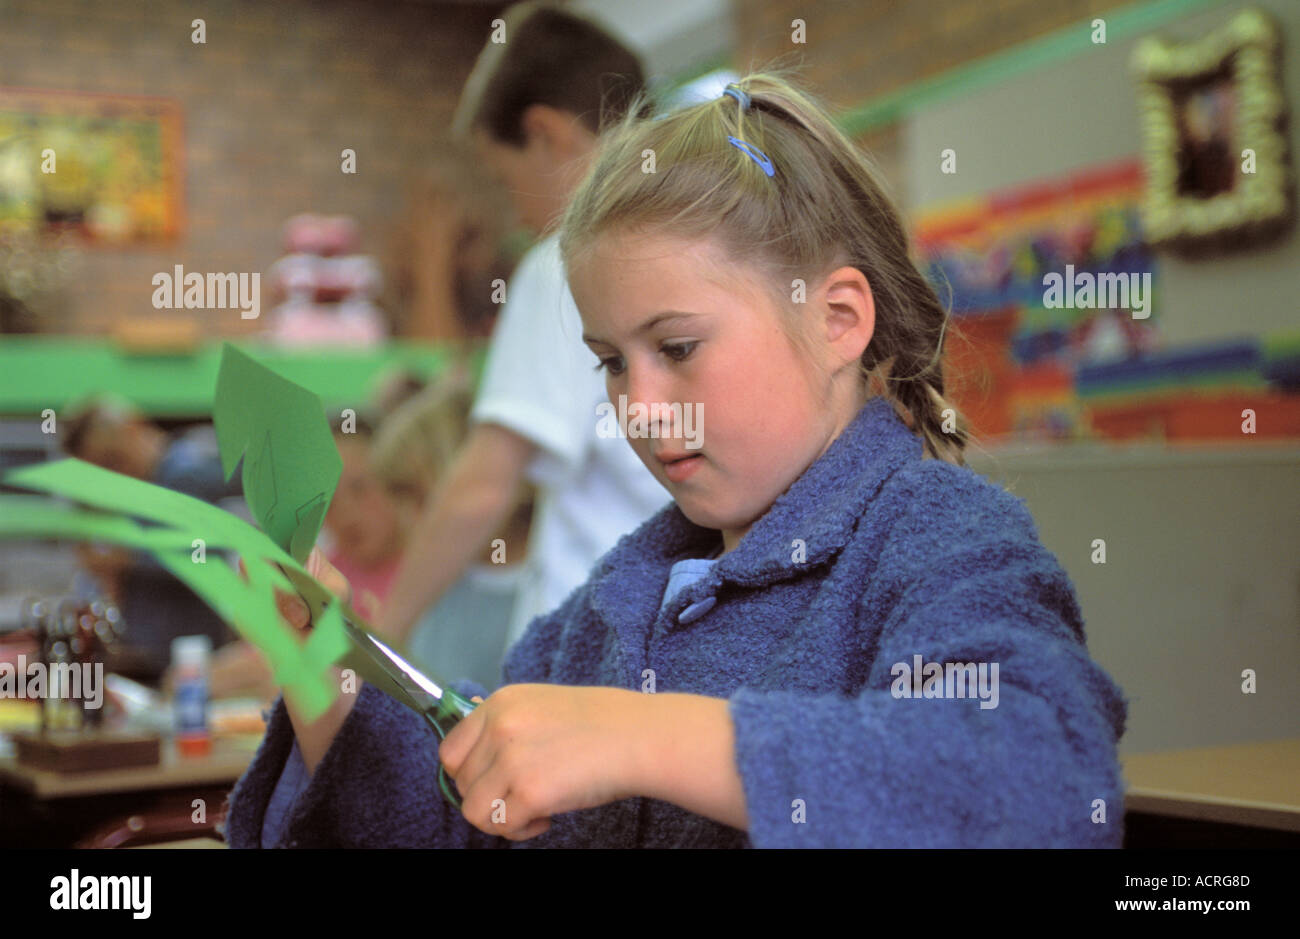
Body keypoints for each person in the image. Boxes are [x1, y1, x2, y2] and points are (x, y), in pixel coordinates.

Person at [224, 72, 1128, 848]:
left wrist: (647, 738)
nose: (638, 409)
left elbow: (1040, 778)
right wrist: (333, 691)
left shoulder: (940, 539)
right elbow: (464, 822)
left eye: (680, 347)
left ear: (838, 319)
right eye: (612, 363)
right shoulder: (619, 599)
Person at [375, 1, 670, 656]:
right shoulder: (691, 244)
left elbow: (485, 479)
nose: (514, 208)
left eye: (507, 181)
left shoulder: (566, 260)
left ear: (546, 134)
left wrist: (382, 632)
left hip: (591, 647)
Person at [369, 371, 530, 692]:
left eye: (418, 497)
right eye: (399, 499)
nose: (408, 519)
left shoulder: (548, 582)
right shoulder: (434, 585)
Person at [61, 394, 241, 681]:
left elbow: (210, 553)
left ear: (134, 429)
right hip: (148, 660)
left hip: (188, 662)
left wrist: (130, 557)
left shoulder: (186, 472)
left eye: (113, 462)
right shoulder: (142, 488)